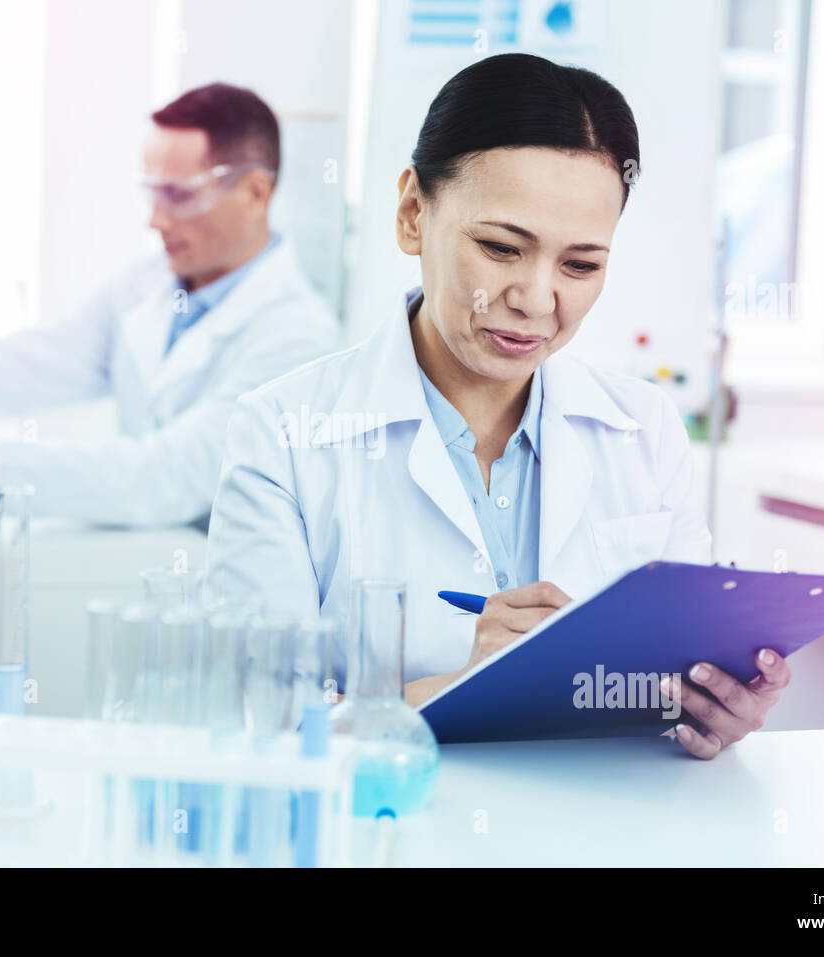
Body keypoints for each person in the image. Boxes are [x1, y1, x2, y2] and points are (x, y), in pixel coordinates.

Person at [205, 54, 790, 759]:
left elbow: (667, 698)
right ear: (413, 215)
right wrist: (458, 686)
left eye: (580, 264)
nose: (538, 299)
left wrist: (709, 709)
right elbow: (257, 719)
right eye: (501, 248)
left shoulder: (645, 427)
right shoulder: (282, 435)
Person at [0, 83, 338, 527]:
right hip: (140, 567)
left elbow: (164, 477)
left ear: (255, 193)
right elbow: (43, 361)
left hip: (233, 596)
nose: (155, 220)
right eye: (150, 193)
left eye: (178, 196)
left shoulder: (298, 336)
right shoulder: (148, 287)